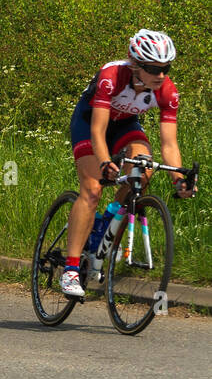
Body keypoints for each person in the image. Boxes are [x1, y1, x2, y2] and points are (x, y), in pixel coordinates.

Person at [58, 29, 195, 299]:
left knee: (143, 170)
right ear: (135, 65)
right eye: (152, 69)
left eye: (165, 68)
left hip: (125, 126)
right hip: (90, 123)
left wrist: (179, 178)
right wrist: (105, 160)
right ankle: (71, 269)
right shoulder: (112, 77)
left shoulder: (167, 91)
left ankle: (106, 221)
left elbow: (169, 144)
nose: (160, 75)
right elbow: (98, 131)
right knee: (92, 188)